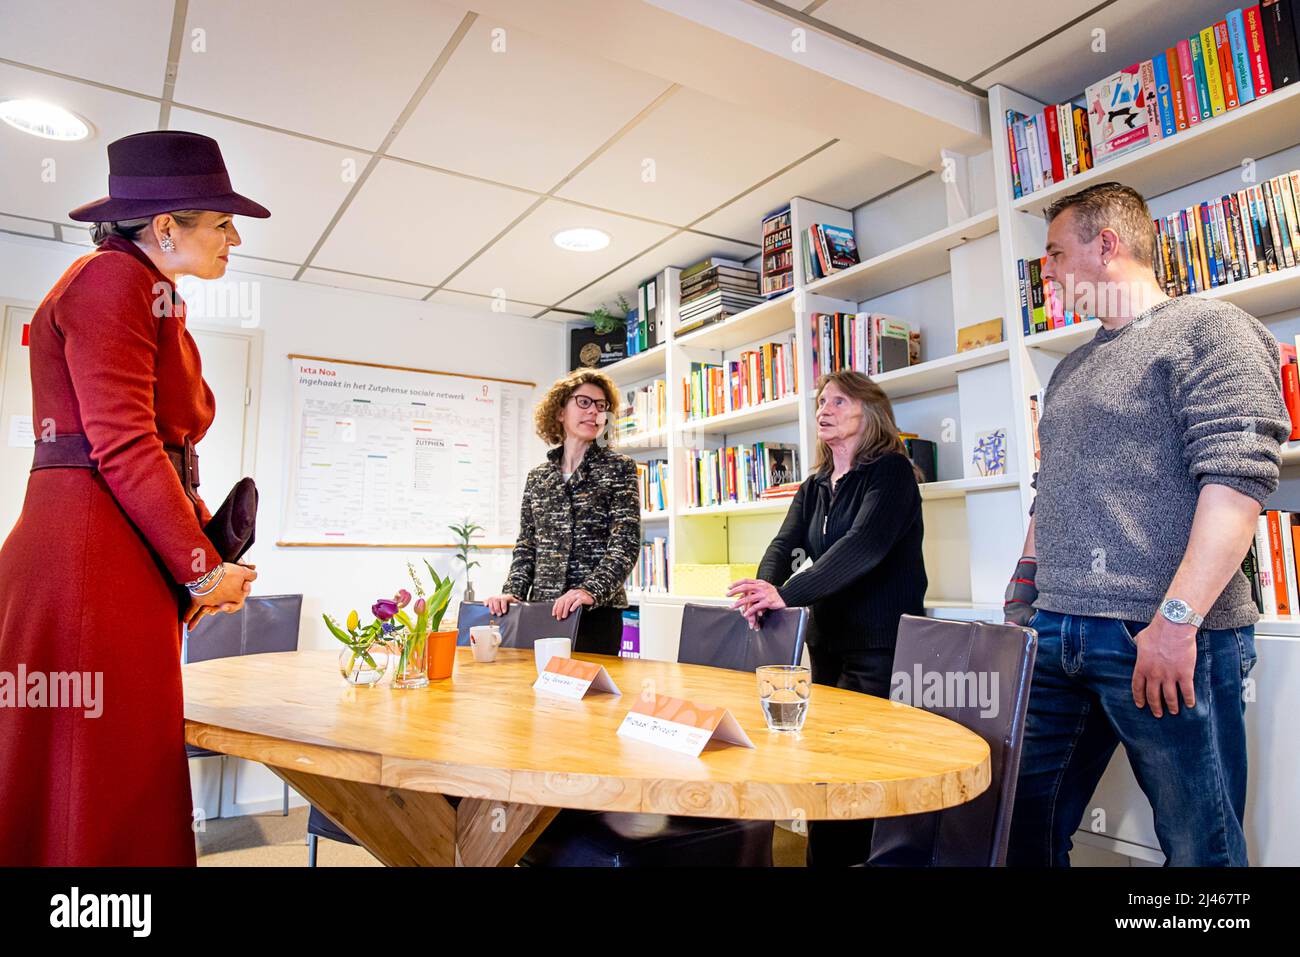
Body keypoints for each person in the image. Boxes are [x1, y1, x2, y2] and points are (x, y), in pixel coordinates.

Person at [0, 131, 267, 866]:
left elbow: (150, 448)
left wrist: (203, 561)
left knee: (99, 760)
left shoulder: (139, 286)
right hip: (90, 551)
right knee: (103, 764)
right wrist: (204, 571)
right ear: (165, 227)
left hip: (102, 542)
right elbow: (123, 443)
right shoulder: (109, 280)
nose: (233, 237)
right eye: (221, 222)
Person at [1003, 182, 1288, 867]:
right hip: (1055, 629)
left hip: (1162, 635)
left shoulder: (1210, 330)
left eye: (1053, 252)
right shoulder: (1070, 367)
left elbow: (1236, 484)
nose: (1044, 271)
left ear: (1107, 244)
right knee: (1018, 826)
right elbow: (1053, 492)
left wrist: (1178, 619)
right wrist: (1022, 592)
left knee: (1200, 848)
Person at [729, 370, 927, 865]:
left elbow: (863, 547)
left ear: (871, 411)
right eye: (821, 401)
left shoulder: (891, 472)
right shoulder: (816, 483)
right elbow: (785, 543)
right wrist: (762, 589)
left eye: (839, 401)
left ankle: (859, 860)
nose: (825, 409)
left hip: (880, 643)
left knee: (861, 766)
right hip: (829, 640)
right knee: (825, 763)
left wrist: (787, 595)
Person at [486, 369, 640, 655]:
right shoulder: (538, 477)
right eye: (584, 402)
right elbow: (527, 545)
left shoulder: (620, 468)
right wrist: (513, 590)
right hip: (541, 610)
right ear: (559, 412)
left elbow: (625, 545)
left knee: (592, 697)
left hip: (596, 613)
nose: (594, 411)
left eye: (601, 406)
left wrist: (590, 590)